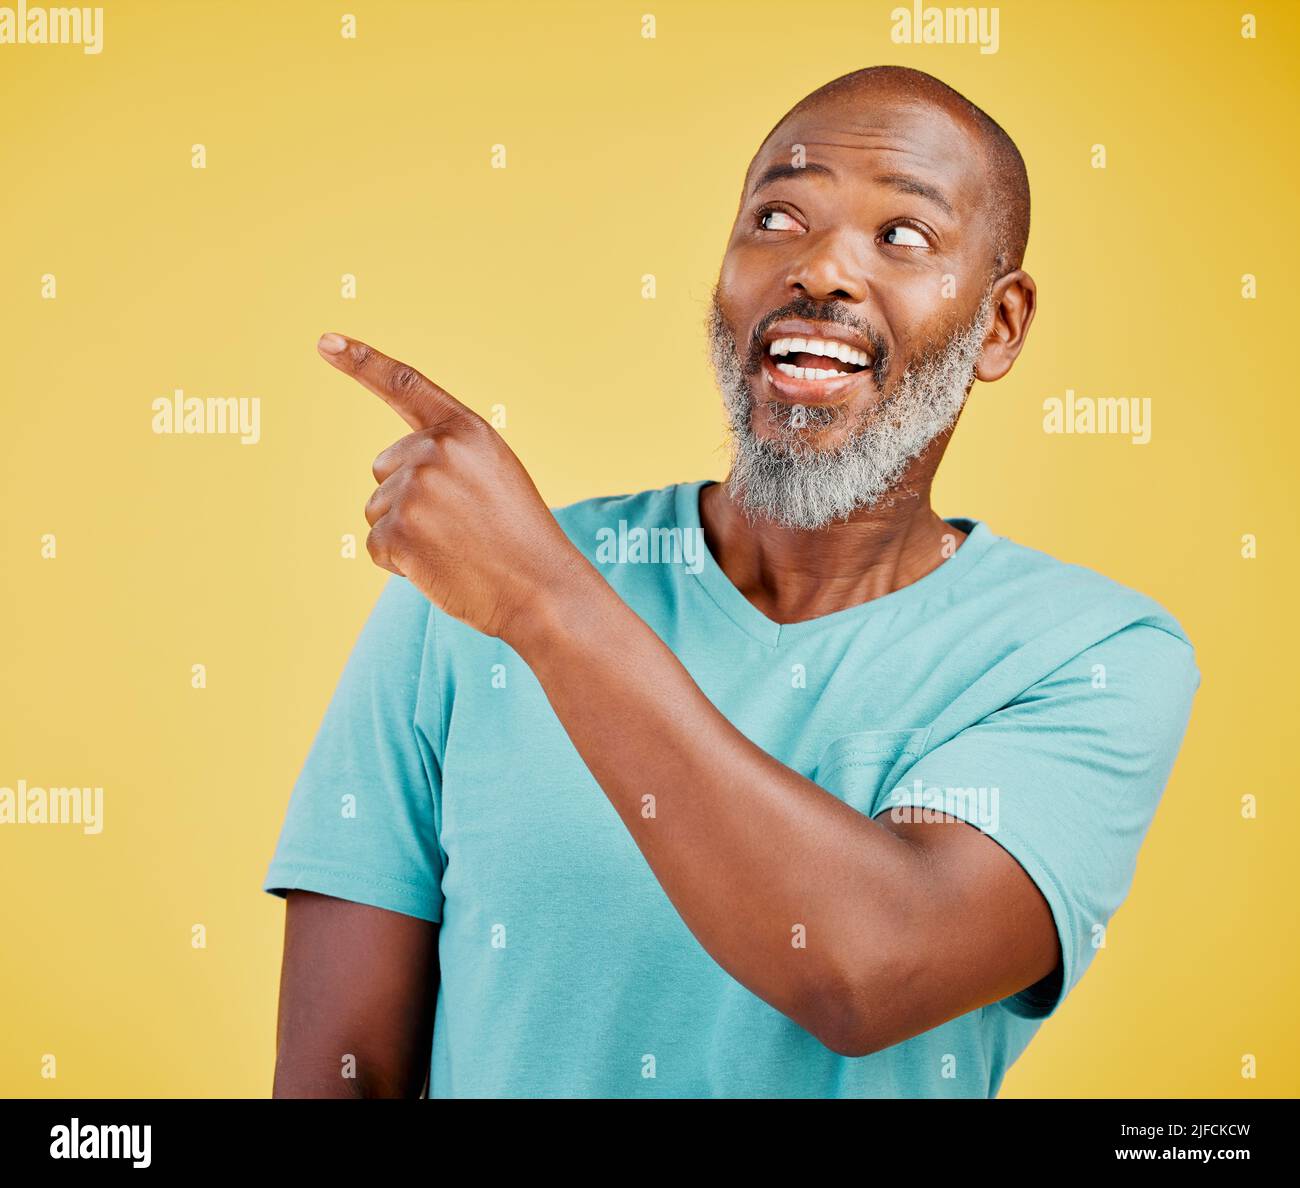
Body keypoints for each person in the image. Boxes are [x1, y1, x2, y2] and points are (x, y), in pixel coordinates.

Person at [262, 65, 1199, 1098]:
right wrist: (525, 587)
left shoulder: (1091, 656)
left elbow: (869, 969)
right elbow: (340, 1068)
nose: (822, 268)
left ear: (998, 324)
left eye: (901, 236)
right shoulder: (463, 594)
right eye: (778, 216)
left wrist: (543, 603)